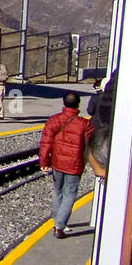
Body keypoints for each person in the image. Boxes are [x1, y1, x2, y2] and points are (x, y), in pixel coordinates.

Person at [39, 91, 94, 239]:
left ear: (64, 103)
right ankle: (59, 226)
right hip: (74, 165)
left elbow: (45, 143)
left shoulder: (54, 120)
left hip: (57, 163)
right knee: (69, 194)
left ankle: (57, 221)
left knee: (58, 192)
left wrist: (44, 162)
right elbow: (90, 145)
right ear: (78, 105)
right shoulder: (85, 124)